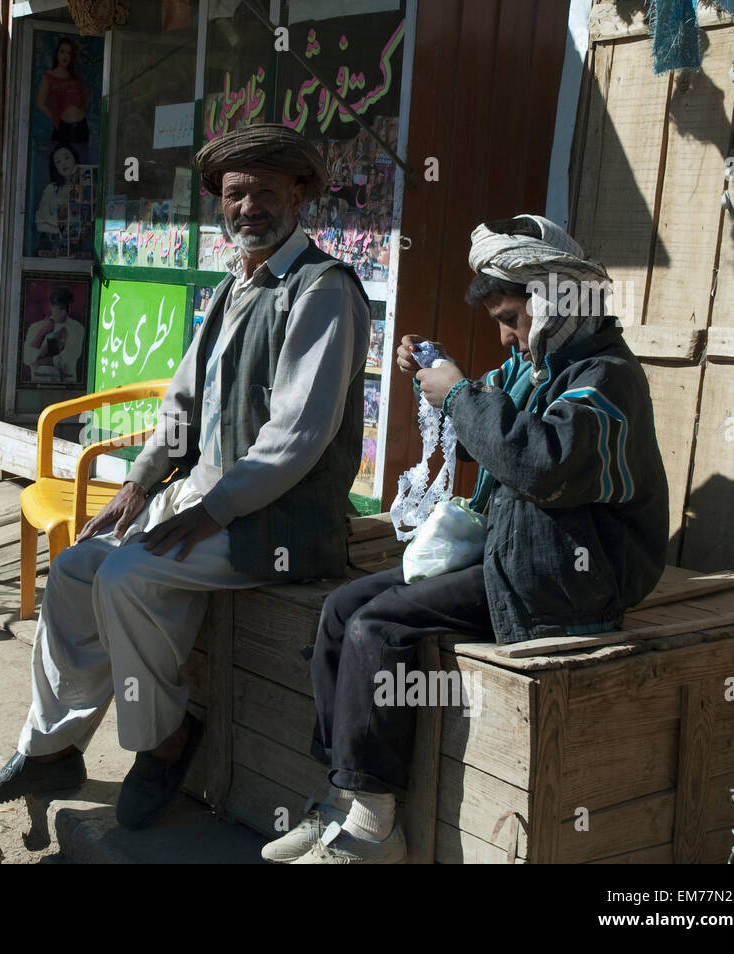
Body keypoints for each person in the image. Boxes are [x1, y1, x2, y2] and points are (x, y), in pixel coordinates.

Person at [0, 123, 371, 829]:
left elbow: (296, 437)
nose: (247, 207)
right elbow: (183, 405)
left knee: (129, 577)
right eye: (234, 194)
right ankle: (50, 748)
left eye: (264, 192)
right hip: (206, 504)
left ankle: (165, 742)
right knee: (77, 570)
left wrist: (211, 510)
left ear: (299, 194)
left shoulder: (322, 290)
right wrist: (140, 482)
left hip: (278, 524)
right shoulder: (233, 286)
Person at [263, 214, 668, 864]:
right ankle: (343, 797)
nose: (505, 336)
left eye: (512, 318)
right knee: (341, 610)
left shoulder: (606, 376)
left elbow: (536, 462)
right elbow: (491, 431)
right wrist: (434, 372)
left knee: (377, 627)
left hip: (572, 576)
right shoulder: (539, 366)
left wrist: (456, 395)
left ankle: (374, 828)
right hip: (517, 552)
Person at [35, 37, 89, 160]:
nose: (65, 56)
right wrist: (55, 118)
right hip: (64, 127)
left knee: (81, 159)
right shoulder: (49, 76)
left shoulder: (76, 78)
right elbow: (40, 103)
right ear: (57, 54)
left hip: (81, 126)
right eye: (62, 52)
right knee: (61, 159)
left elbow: (86, 99)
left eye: (69, 53)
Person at [21, 285, 84, 384]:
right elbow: (27, 358)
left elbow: (69, 357)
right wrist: (42, 332)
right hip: (39, 385)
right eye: (61, 308)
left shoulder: (77, 328)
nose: (65, 313)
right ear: (51, 307)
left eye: (67, 308)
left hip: (65, 384)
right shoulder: (36, 327)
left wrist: (39, 361)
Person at [34, 144, 79, 255]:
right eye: (58, 162)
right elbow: (40, 224)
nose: (63, 163)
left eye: (67, 157)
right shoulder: (51, 189)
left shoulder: (87, 187)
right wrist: (63, 229)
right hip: (55, 247)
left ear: (75, 158)